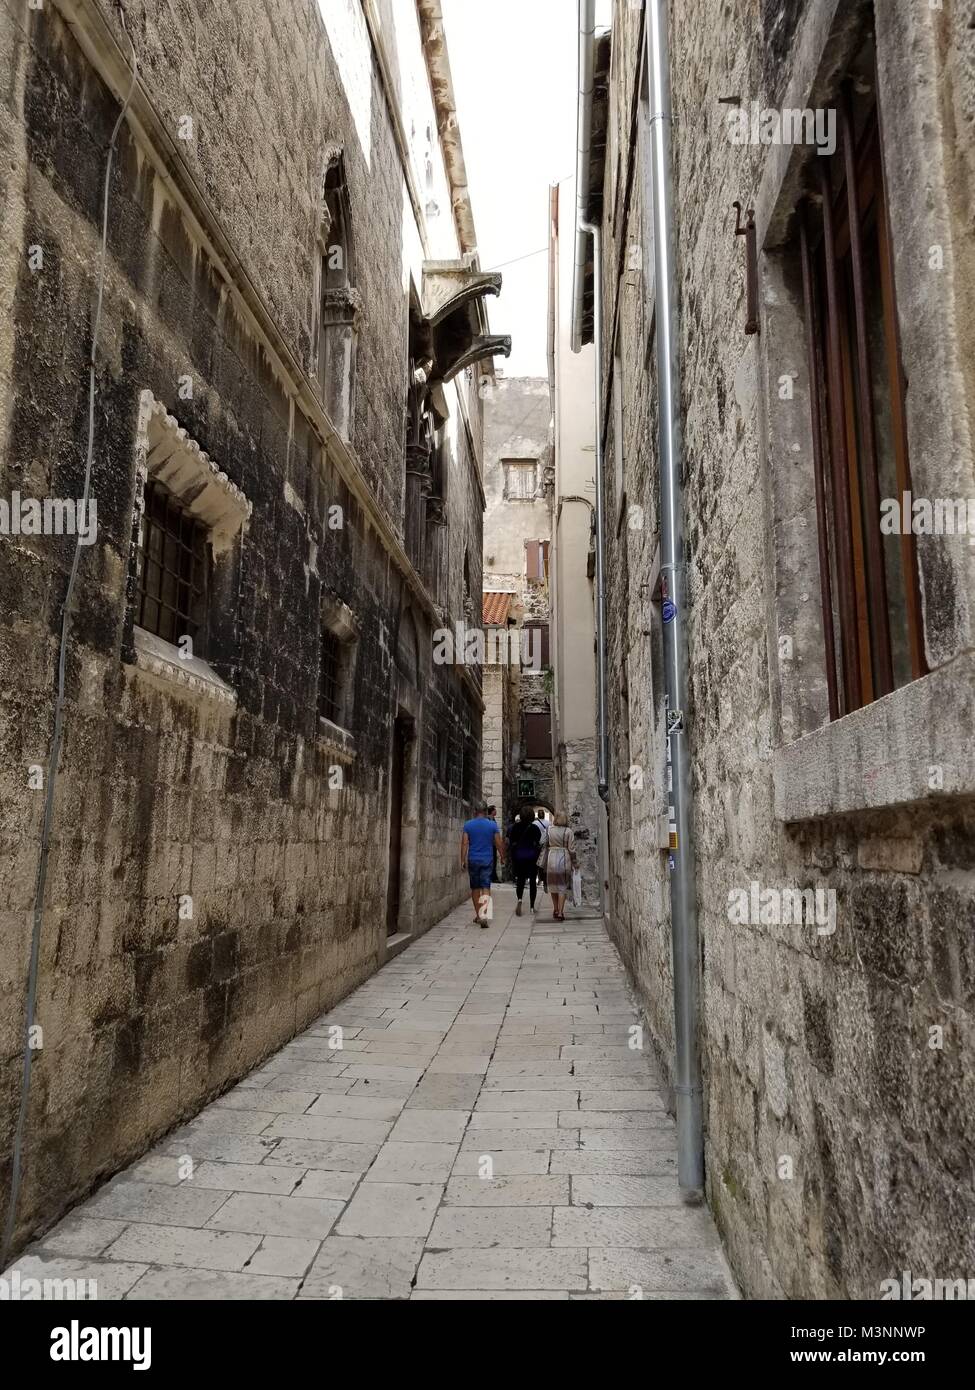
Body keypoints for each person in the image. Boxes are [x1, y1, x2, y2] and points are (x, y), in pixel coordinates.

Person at [460, 803, 504, 927]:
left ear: (475, 810)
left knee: (475, 888)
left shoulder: (468, 825)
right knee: (486, 887)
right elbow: (498, 842)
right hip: (487, 860)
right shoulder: (492, 825)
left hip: (473, 859)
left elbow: (464, 843)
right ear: (485, 811)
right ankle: (484, 914)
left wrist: (462, 860)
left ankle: (479, 915)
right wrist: (502, 857)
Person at [542, 811, 577, 922]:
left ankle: (555, 909)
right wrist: (575, 862)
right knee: (562, 885)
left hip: (551, 858)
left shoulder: (549, 830)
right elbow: (571, 849)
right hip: (564, 858)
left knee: (553, 885)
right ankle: (561, 912)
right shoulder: (569, 831)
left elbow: (543, 842)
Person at [507, 806, 542, 916]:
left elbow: (511, 841)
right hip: (532, 857)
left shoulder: (514, 827)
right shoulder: (535, 828)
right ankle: (532, 907)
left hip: (519, 857)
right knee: (532, 881)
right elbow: (538, 841)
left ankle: (520, 899)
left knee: (520, 880)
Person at [487, 805, 500, 882]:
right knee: (492, 860)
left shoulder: (492, 819)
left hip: (493, 844)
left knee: (494, 860)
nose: (496, 811)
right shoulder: (489, 819)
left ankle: (493, 877)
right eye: (495, 810)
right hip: (490, 844)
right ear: (492, 811)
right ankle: (493, 877)